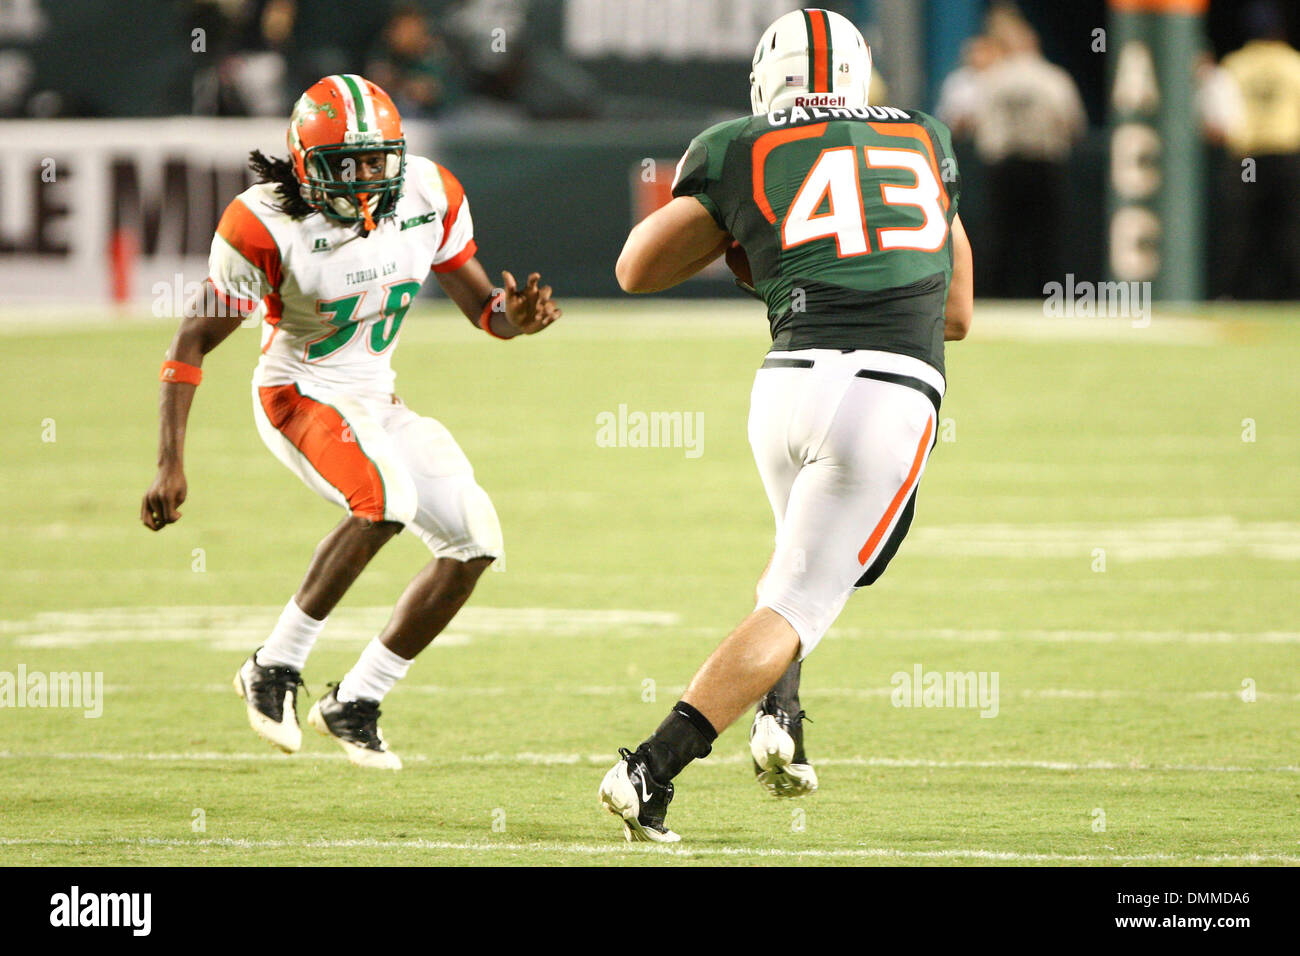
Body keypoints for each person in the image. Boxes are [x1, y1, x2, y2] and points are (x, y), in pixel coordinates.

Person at [598, 8, 973, 842]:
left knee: (795, 572)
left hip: (787, 385)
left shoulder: (739, 141)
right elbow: (958, 313)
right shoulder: (921, 135)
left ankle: (782, 719)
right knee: (804, 600)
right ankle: (650, 768)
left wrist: (745, 243)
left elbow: (635, 267)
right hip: (887, 389)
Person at [140, 74, 560, 769]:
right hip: (296, 391)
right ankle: (274, 665)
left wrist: (513, 320)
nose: (367, 179)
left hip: (373, 396)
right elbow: (190, 342)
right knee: (385, 499)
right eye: (348, 164)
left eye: (377, 161)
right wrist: (169, 463)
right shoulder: (264, 223)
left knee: (475, 540)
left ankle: (358, 699)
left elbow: (484, 309)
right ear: (307, 166)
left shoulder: (429, 193)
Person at [973, 5, 1085, 297]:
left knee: (1000, 236)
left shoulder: (994, 77)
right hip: (1043, 163)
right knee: (1046, 237)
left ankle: (996, 296)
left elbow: (976, 122)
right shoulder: (1053, 78)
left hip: (1003, 167)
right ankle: (1048, 294)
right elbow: (1073, 124)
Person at [1219, 1, 1300, 299]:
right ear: (1279, 30)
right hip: (1286, 155)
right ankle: (1292, 295)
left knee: (1241, 230)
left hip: (1247, 158)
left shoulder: (1235, 64)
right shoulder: (1293, 62)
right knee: (1290, 229)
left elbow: (1220, 118)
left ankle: (1236, 295)